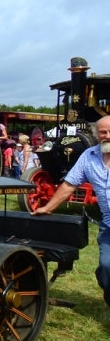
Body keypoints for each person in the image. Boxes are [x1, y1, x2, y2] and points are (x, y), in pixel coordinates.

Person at [31, 115, 110, 307]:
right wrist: (48, 207)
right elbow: (69, 184)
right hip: (108, 227)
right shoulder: (88, 156)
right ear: (96, 134)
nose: (107, 136)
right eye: (103, 132)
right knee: (107, 268)